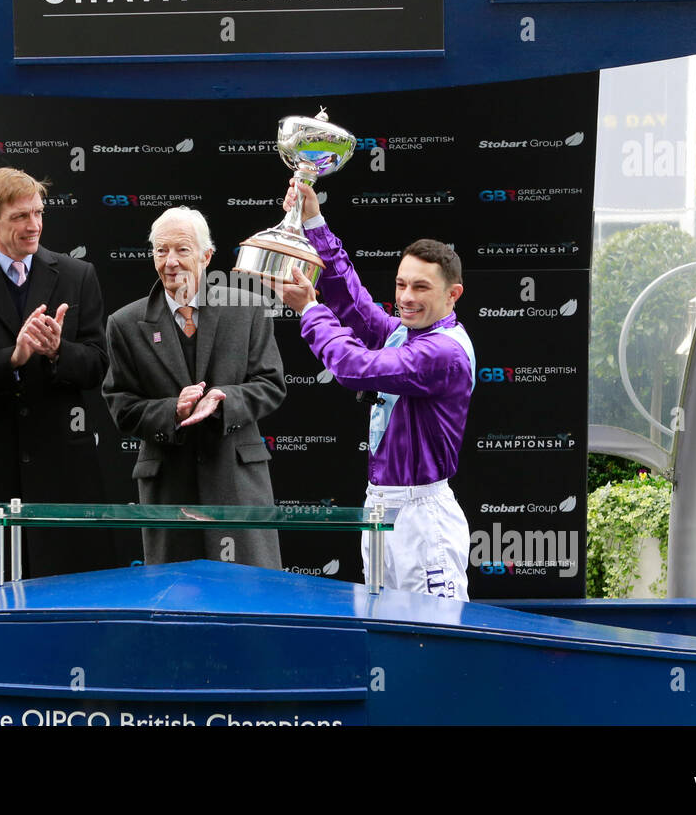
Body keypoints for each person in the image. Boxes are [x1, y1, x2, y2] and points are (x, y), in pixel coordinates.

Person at [271, 180, 476, 599]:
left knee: (435, 641)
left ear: (453, 294)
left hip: (423, 517)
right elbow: (354, 304)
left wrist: (309, 309)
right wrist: (313, 220)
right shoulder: (408, 333)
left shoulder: (443, 352)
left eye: (421, 287)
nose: (406, 297)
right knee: (383, 631)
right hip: (381, 508)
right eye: (401, 284)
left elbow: (354, 366)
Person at [0, 168, 109, 585]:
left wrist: (56, 351)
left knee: (71, 594)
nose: (34, 226)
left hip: (64, 472)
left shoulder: (77, 276)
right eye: (20, 217)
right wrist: (11, 357)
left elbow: (98, 365)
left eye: (39, 213)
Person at [102, 206, 286, 568]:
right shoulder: (124, 323)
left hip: (237, 483)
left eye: (182, 250)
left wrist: (224, 400)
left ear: (206, 255)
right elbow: (121, 405)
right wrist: (173, 410)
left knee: (248, 600)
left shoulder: (248, 309)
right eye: (161, 250)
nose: (170, 261)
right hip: (169, 490)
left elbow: (271, 384)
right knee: (176, 602)